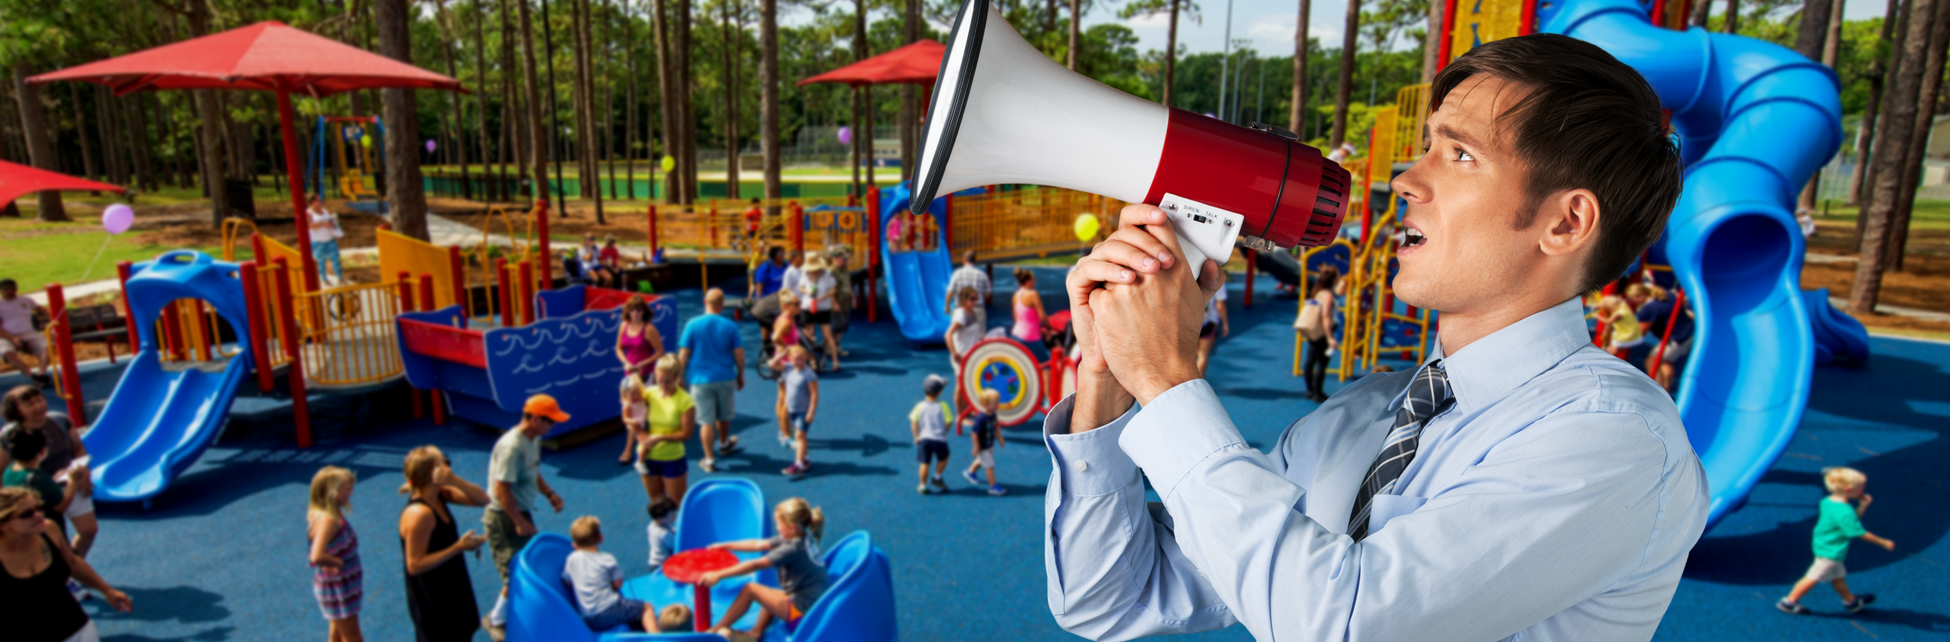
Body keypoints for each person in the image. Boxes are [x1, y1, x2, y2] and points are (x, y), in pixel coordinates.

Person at [1047, 34, 1706, 640]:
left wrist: (1165, 379)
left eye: (1460, 154)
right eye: (1427, 146)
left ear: (1565, 224)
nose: (1406, 180)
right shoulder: (1364, 412)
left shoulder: (1614, 436)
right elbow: (1115, 598)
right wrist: (1111, 379)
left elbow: (1344, 622)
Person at [481, 395, 569, 641]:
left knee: (527, 565)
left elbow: (533, 470)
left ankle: (519, 612)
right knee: (514, 574)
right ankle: (496, 619)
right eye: (551, 421)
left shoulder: (533, 439)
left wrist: (549, 493)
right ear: (536, 420)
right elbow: (501, 489)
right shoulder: (512, 447)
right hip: (504, 518)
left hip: (519, 512)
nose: (553, 426)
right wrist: (519, 522)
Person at [0, 487, 133, 642]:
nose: (38, 515)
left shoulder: (49, 530)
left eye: (39, 508)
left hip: (76, 628)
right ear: (3, 524)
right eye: (26, 514)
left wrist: (107, 590)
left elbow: (72, 562)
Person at [698, 498, 829, 639]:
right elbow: (758, 544)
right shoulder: (802, 536)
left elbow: (755, 565)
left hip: (802, 617)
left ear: (792, 527)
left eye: (778, 524)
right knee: (769, 592)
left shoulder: (792, 548)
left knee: (750, 590)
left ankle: (714, 632)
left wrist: (719, 575)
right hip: (813, 608)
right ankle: (756, 631)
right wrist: (725, 546)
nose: (777, 527)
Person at [398, 446, 490, 642]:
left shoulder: (440, 495)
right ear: (434, 473)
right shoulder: (419, 514)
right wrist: (458, 547)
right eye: (445, 463)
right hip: (434, 596)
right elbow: (414, 565)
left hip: (451, 582)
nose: (449, 467)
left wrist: (455, 481)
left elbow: (483, 500)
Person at [1777, 467, 1895, 615]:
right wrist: (1883, 542)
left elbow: (1850, 523)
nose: (1864, 490)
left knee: (1838, 577)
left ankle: (1850, 601)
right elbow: (1858, 532)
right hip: (1831, 551)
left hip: (1824, 544)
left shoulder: (1827, 501)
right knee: (1812, 577)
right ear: (1848, 489)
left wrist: (1862, 506)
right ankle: (1788, 602)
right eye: (1861, 487)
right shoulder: (1845, 511)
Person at [0, 386, 93, 558]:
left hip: (67, 480)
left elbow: (78, 449)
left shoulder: (59, 420)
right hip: (36, 491)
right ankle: (65, 566)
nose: (38, 406)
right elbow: (2, 467)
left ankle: (73, 564)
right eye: (29, 404)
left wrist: (85, 474)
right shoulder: (10, 434)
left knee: (88, 530)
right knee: (49, 537)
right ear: (16, 410)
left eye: (39, 400)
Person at [677, 288, 745, 474]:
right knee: (724, 415)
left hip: (700, 380)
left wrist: (679, 376)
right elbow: (739, 353)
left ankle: (709, 459)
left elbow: (684, 354)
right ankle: (723, 443)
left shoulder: (692, 324)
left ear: (704, 302)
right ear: (722, 305)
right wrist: (740, 375)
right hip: (725, 377)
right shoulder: (730, 325)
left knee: (706, 421)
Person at [563, 516, 662, 632]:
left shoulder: (571, 559)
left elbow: (567, 581)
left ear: (574, 545)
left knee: (630, 613)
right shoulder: (607, 559)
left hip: (589, 618)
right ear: (600, 538)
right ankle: (656, 637)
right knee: (646, 608)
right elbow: (617, 584)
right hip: (609, 610)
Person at [307, 466, 364, 642]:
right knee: (353, 637)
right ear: (332, 493)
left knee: (336, 634)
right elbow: (316, 555)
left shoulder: (327, 513)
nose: (350, 493)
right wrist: (337, 562)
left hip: (340, 584)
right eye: (346, 489)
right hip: (339, 587)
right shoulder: (328, 521)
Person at [637, 355, 694, 508]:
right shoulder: (649, 393)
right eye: (659, 380)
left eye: (668, 381)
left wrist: (660, 438)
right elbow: (631, 417)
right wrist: (641, 435)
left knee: (677, 503)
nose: (662, 385)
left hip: (672, 458)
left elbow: (686, 434)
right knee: (657, 505)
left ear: (677, 378)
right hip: (648, 457)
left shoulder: (685, 401)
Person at [1626, 282, 1693, 391]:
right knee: (1666, 361)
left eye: (1631, 299)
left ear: (1641, 296)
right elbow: (1683, 303)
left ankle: (1658, 392)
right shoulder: (1666, 294)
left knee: (1651, 361)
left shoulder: (1648, 309)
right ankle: (1666, 390)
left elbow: (1640, 333)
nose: (1632, 302)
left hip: (1676, 338)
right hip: (1689, 332)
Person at [5, 430, 71, 537]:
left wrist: (52, 481)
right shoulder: (39, 478)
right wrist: (73, 481)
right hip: (45, 529)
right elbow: (61, 505)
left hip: (24, 529)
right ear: (42, 451)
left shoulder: (10, 469)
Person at [770, 345, 818, 478]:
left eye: (802, 359)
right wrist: (784, 353)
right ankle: (805, 459)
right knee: (799, 435)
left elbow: (814, 394)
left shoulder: (809, 374)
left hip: (803, 410)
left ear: (806, 358)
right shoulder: (789, 368)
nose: (799, 362)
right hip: (792, 409)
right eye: (796, 359)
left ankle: (798, 465)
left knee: (799, 436)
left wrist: (811, 412)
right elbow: (772, 364)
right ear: (790, 359)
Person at [1296, 267, 1342, 402]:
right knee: (1322, 362)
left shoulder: (1318, 292)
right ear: (1333, 280)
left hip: (1314, 330)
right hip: (1323, 332)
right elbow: (1326, 316)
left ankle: (1309, 390)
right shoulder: (1328, 295)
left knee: (1310, 360)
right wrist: (1330, 337)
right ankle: (1318, 393)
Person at [0, 279, 52, 388]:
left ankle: (41, 373)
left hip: (28, 333)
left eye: (12, 288)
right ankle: (31, 375)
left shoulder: (26, 300)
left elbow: (41, 309)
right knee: (8, 352)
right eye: (5, 288)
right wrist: (13, 338)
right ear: (1, 290)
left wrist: (51, 316)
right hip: (5, 336)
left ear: (16, 288)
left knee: (48, 347)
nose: (9, 290)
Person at [795, 253, 840, 371]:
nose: (813, 271)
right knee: (810, 335)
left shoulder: (826, 274)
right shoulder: (805, 273)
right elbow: (800, 287)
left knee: (827, 335)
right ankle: (812, 361)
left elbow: (833, 289)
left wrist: (824, 297)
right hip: (808, 307)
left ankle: (835, 361)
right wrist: (807, 292)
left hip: (823, 308)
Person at [910, 374, 954, 495]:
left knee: (924, 463)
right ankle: (937, 476)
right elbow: (949, 421)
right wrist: (944, 432)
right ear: (939, 393)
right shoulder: (943, 406)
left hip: (924, 440)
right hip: (939, 439)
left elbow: (914, 422)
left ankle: (923, 485)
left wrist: (916, 436)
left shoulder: (919, 406)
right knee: (944, 458)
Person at [960, 389, 1006, 496]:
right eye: (995, 403)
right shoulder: (981, 419)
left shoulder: (993, 414)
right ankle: (993, 486)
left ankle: (970, 472)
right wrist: (976, 446)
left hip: (989, 444)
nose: (997, 405)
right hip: (983, 447)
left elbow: (996, 425)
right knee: (989, 465)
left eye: (997, 402)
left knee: (981, 460)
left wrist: (1000, 437)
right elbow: (974, 433)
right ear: (985, 404)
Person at [1195, 266, 1230, 376]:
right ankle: (1198, 384)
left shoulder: (1190, 275)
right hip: (1208, 322)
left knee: (1189, 356)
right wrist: (1225, 323)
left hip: (1190, 323)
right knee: (1203, 356)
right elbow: (1220, 305)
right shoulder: (1217, 278)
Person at [945, 288, 984, 374]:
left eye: (977, 298)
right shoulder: (961, 315)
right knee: (962, 381)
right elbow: (948, 334)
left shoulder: (973, 312)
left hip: (970, 356)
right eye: (972, 299)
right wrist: (955, 354)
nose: (975, 301)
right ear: (964, 299)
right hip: (962, 355)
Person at [1010, 268, 1047, 361]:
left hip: (1016, 335)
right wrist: (1049, 328)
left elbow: (1016, 318)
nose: (1035, 282)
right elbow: (1042, 316)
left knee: (1021, 364)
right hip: (1031, 337)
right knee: (1046, 363)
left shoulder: (1016, 295)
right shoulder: (1033, 294)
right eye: (1034, 280)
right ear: (1028, 281)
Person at [949, 250, 993, 328]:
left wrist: (947, 305)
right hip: (977, 307)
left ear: (963, 260)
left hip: (961, 308)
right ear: (975, 261)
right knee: (979, 333)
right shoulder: (982, 274)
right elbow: (988, 294)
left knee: (959, 333)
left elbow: (951, 291)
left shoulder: (957, 273)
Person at [308, 195, 346, 285]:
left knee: (336, 258)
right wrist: (323, 224)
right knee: (321, 261)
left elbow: (328, 220)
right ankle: (324, 279)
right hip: (318, 241)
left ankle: (340, 277)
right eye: (318, 200)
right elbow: (309, 226)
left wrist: (333, 221)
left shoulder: (324, 210)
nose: (321, 201)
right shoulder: (308, 213)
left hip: (330, 239)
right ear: (313, 202)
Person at [617, 375, 649, 466]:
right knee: (644, 443)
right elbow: (625, 418)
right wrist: (632, 421)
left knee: (647, 442)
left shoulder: (642, 399)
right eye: (632, 395)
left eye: (637, 393)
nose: (635, 396)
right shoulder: (628, 405)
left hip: (645, 423)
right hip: (636, 427)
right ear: (625, 394)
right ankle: (640, 462)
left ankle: (644, 457)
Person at [828, 248, 854, 356]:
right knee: (839, 324)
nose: (846, 261)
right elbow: (829, 289)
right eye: (844, 259)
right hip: (836, 302)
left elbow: (848, 284)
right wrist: (834, 303)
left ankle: (834, 345)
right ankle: (831, 346)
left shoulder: (845, 269)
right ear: (836, 259)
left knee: (844, 325)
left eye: (846, 259)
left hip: (844, 302)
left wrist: (853, 297)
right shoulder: (832, 271)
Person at [645, 497, 677, 569]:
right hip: (661, 565)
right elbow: (676, 544)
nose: (674, 515)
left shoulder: (651, 526)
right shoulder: (664, 534)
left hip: (652, 562)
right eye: (671, 514)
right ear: (659, 519)